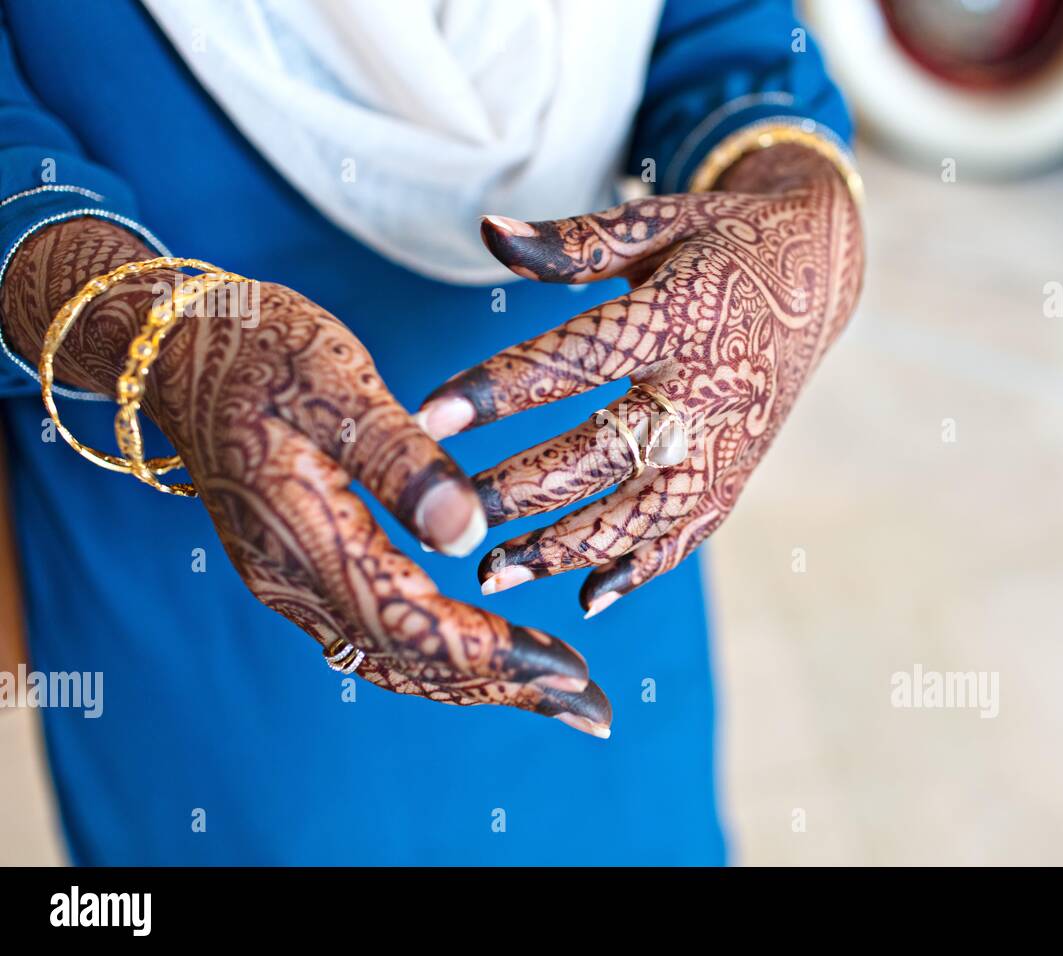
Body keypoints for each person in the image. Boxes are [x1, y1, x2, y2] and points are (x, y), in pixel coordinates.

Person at [0, 0, 863, 864]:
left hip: (584, 477)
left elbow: (719, 31)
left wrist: (791, 205)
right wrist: (164, 334)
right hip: (219, 508)